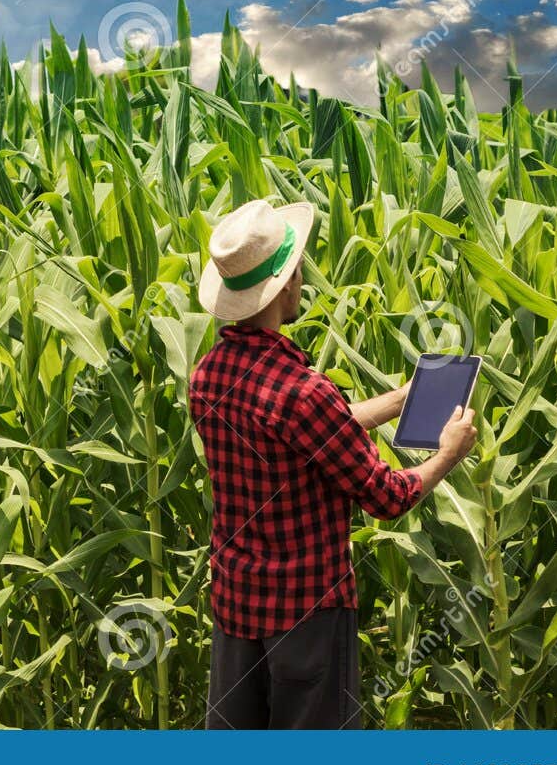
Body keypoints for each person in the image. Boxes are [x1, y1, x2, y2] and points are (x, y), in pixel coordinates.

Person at [189, 198, 477, 729]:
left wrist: (400, 399)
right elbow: (388, 497)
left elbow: (299, 432)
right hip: (307, 620)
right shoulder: (303, 393)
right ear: (288, 282)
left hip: (235, 611)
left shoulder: (207, 374)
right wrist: (448, 454)